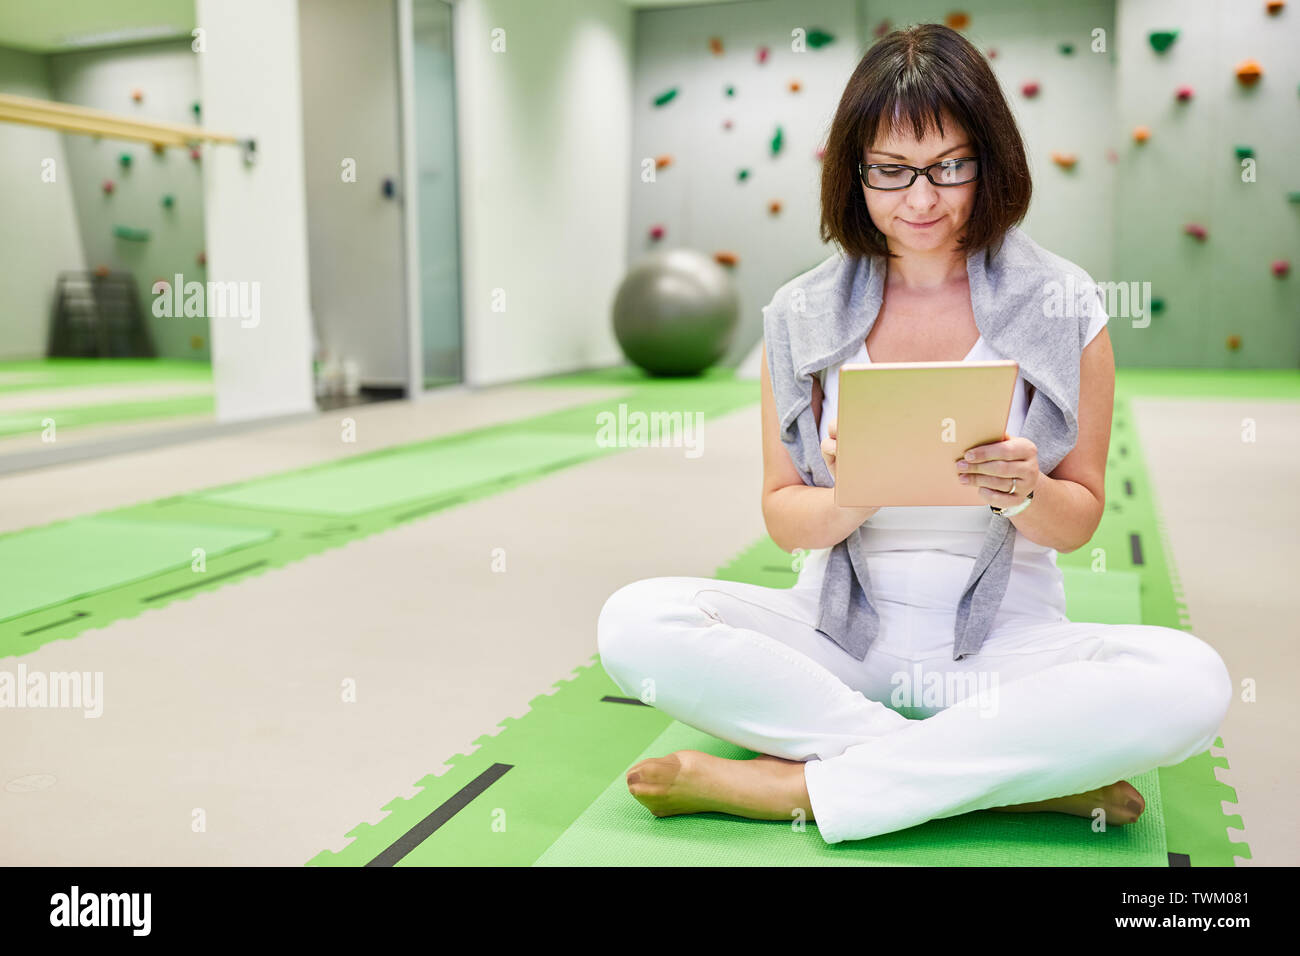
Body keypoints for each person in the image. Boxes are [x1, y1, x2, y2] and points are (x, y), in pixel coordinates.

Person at [596, 23, 1232, 844]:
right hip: (836, 639)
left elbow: (1078, 520)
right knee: (636, 622)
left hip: (1002, 649)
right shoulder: (799, 314)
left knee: (1191, 682)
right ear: (855, 175)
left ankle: (797, 787)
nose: (922, 201)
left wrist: (1028, 491)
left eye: (949, 168)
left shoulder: (1063, 303)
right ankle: (1000, 783)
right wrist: (850, 498)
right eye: (892, 173)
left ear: (990, 161)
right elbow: (784, 511)